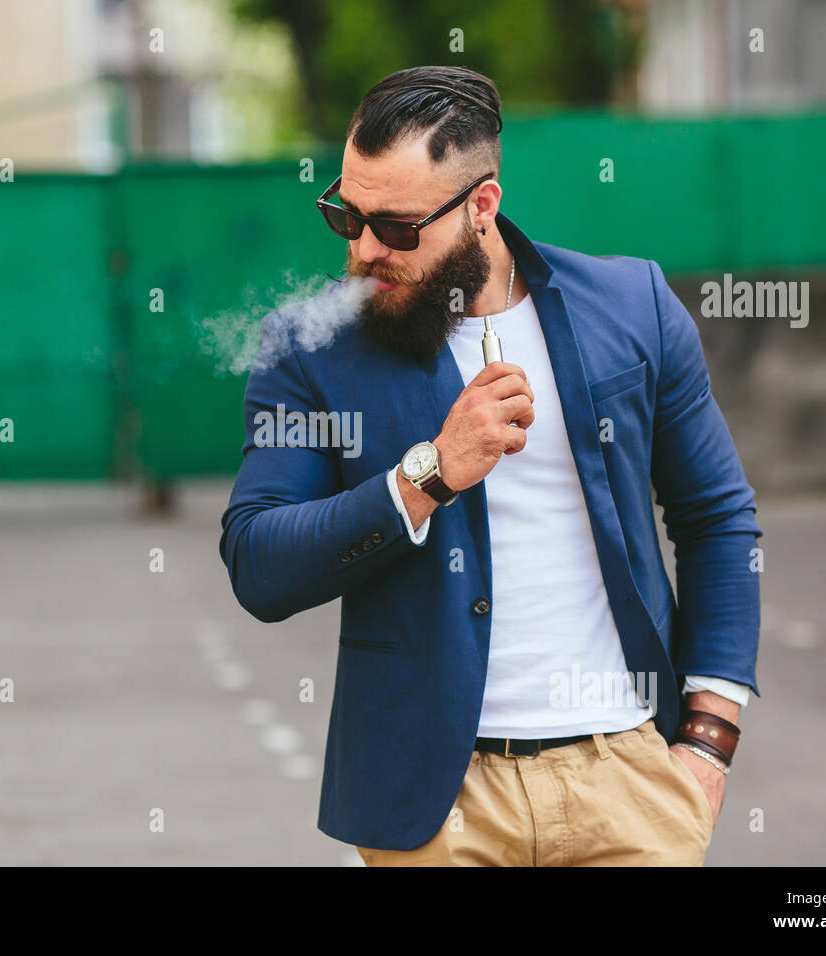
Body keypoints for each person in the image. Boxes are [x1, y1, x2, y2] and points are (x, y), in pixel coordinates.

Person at [219, 65, 761, 866]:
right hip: (436, 809)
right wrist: (426, 475)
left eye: (398, 228)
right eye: (348, 216)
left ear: (482, 206)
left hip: (629, 784)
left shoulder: (631, 305)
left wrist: (708, 745)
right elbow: (259, 563)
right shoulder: (309, 350)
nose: (365, 251)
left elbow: (718, 520)